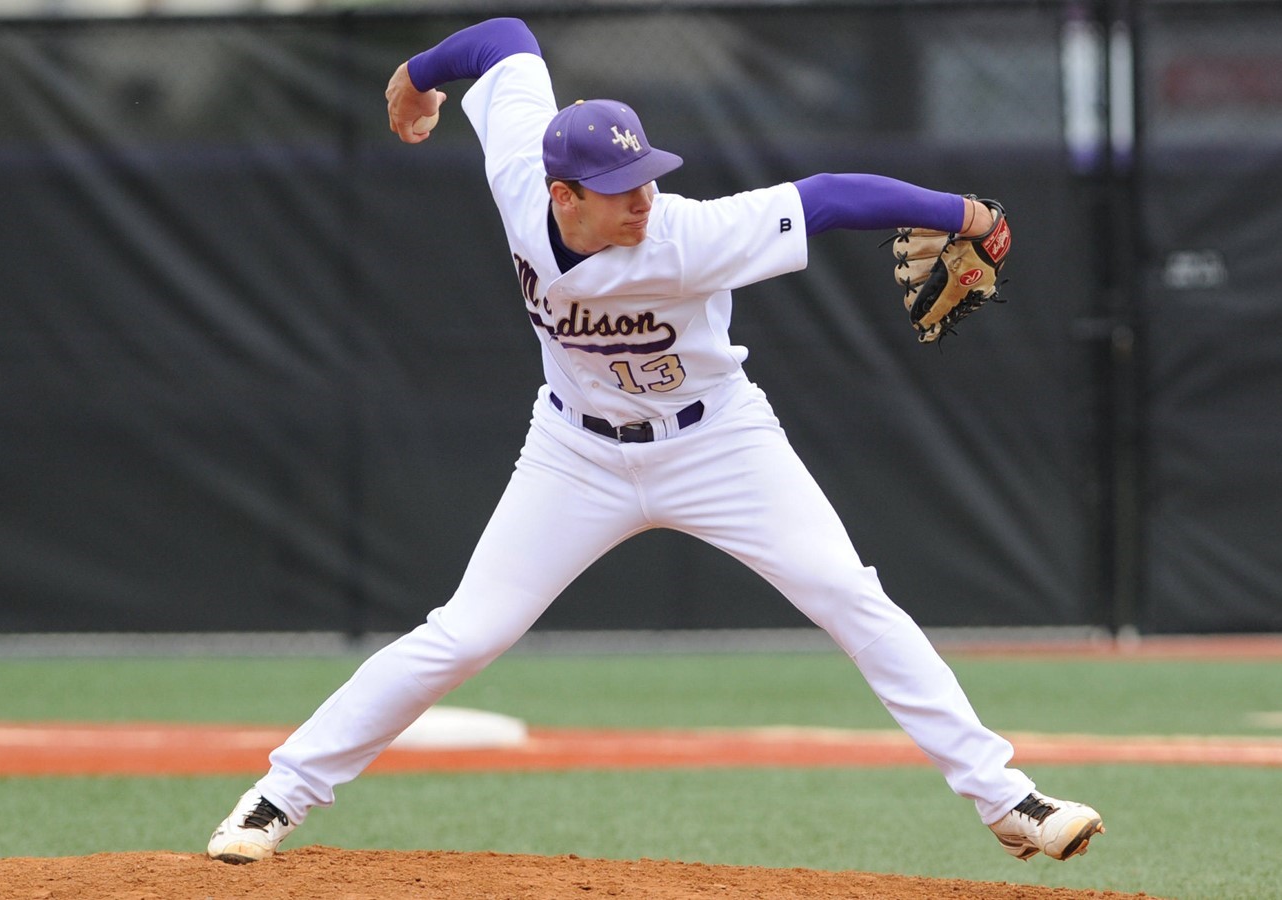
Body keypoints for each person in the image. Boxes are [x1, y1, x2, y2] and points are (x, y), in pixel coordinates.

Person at [207, 17, 1102, 866]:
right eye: (620, 191)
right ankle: (278, 795)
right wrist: (415, 78)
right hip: (574, 454)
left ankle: (1008, 802)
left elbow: (828, 199)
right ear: (563, 196)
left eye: (648, 179)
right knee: (465, 634)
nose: (644, 200)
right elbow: (505, 39)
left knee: (849, 595)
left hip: (718, 443)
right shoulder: (524, 181)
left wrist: (965, 214)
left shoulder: (689, 232)